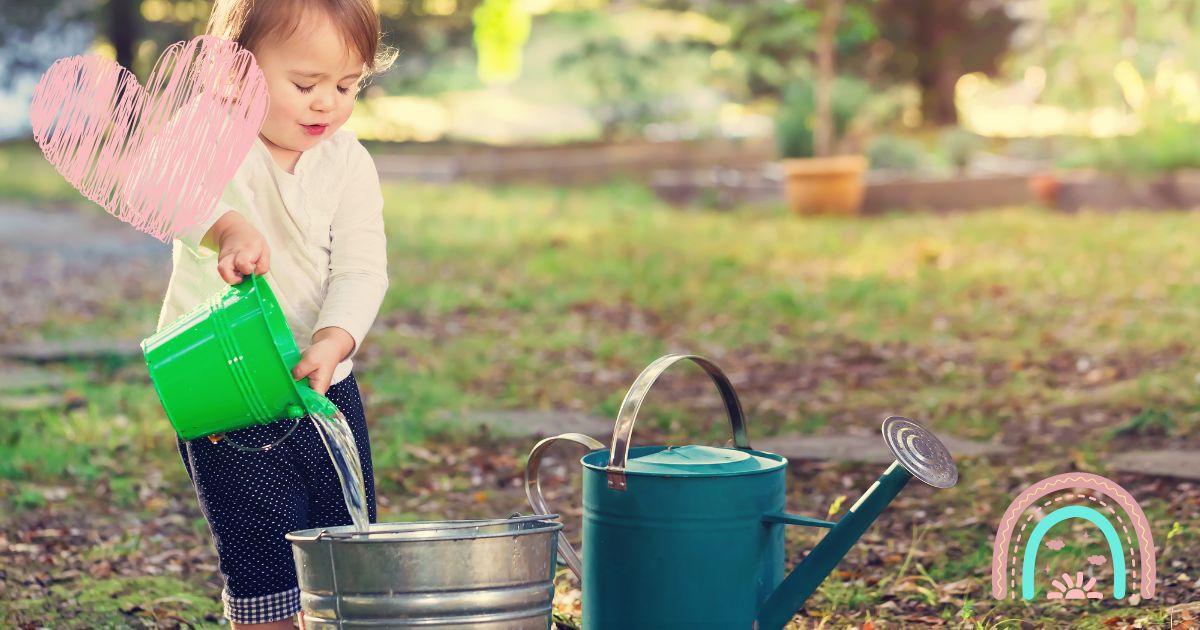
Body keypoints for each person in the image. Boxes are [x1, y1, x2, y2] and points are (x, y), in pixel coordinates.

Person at [159, 1, 396, 627]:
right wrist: (226, 227)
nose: (327, 104)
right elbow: (158, 186)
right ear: (237, 73)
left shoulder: (348, 163)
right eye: (306, 83)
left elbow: (361, 268)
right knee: (262, 554)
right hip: (225, 386)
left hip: (322, 382)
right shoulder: (210, 135)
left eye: (346, 86)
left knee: (344, 544)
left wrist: (335, 340)